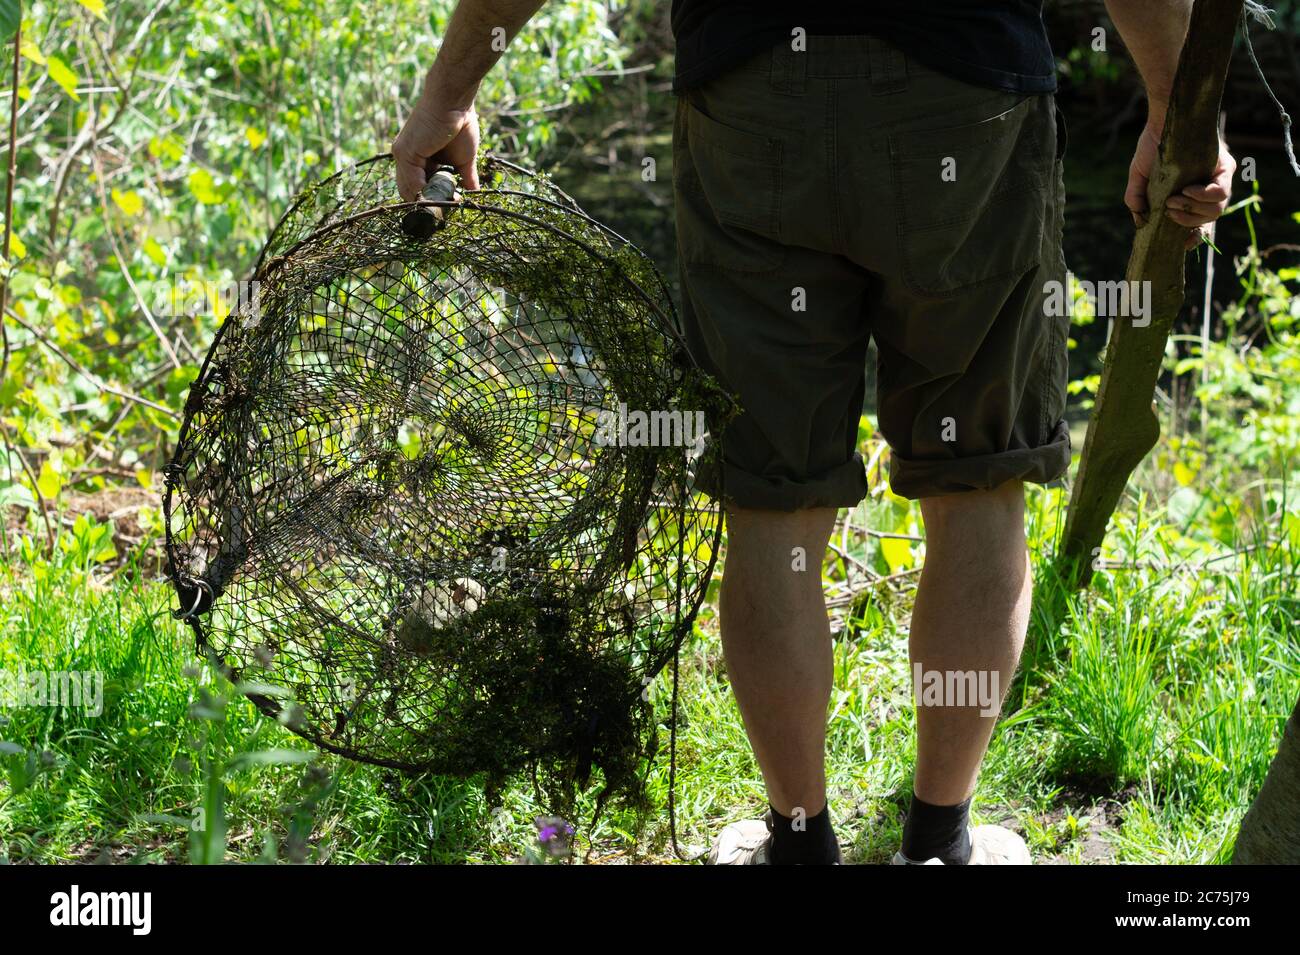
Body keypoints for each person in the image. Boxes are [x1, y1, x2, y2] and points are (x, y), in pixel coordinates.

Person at [393, 0, 1235, 865]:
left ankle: (798, 845)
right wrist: (1176, 104)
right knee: (975, 477)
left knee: (773, 498)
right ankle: (940, 842)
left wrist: (449, 93)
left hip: (753, 94)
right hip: (966, 88)